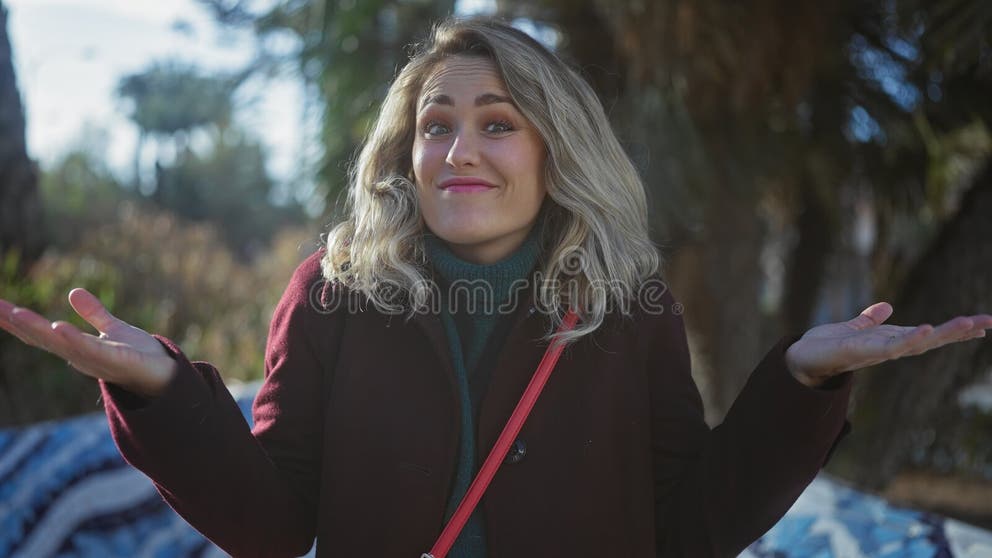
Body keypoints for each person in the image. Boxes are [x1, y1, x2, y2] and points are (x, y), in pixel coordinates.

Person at [0, 16, 989, 558]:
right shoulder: (332, 292)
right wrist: (160, 390)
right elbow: (271, 524)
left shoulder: (626, 300)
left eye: (497, 123)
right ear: (405, 147)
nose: (458, 149)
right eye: (436, 123)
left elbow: (686, 528)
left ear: (553, 150)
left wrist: (799, 385)